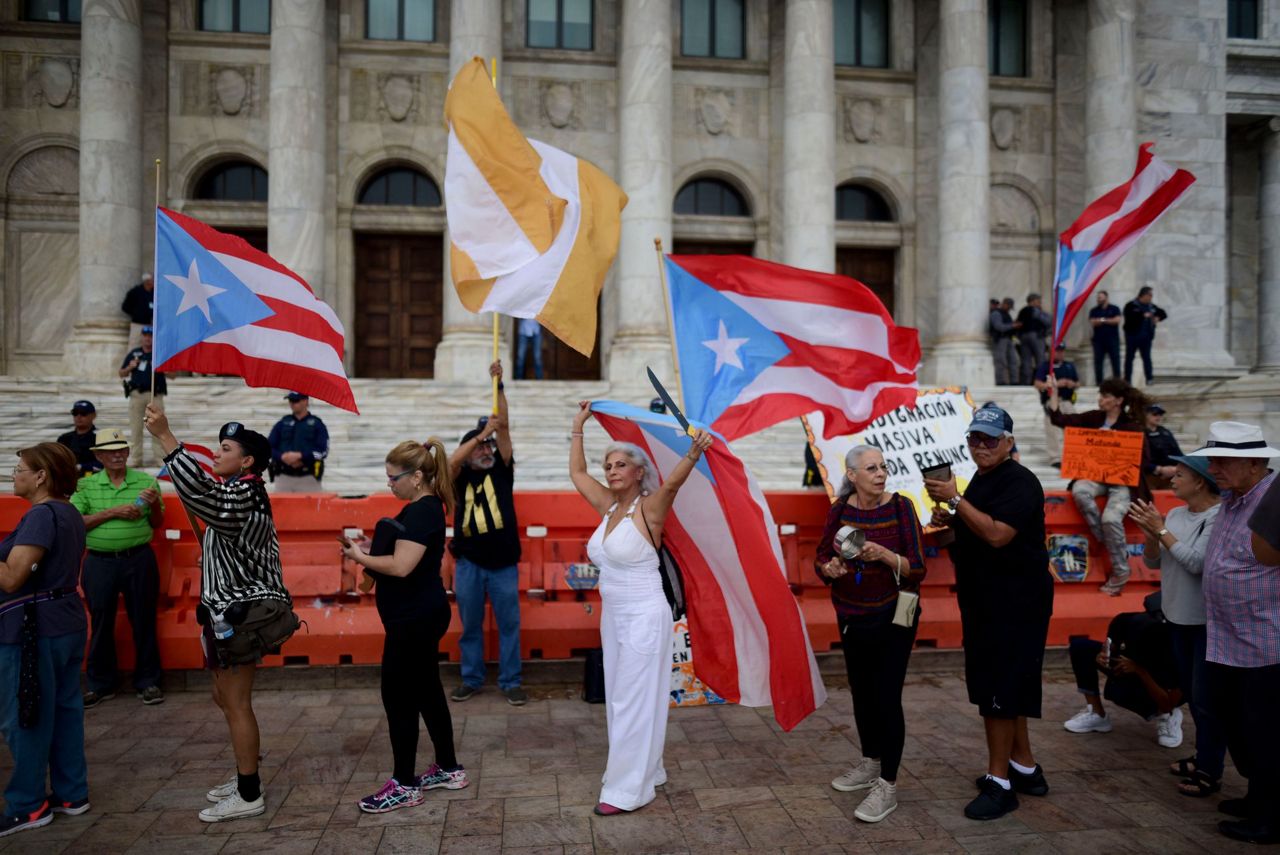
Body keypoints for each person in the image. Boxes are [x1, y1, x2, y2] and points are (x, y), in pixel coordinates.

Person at [143, 407, 292, 823]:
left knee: (237, 702)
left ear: (247, 461)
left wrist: (167, 437)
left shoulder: (245, 493)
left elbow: (203, 494)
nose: (216, 454)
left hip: (241, 616)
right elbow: (212, 506)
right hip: (223, 612)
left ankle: (249, 792)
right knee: (223, 697)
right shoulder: (237, 491)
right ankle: (247, 773)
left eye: (225, 449)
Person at [569, 401, 712, 816]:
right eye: (608, 465)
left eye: (620, 465)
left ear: (638, 472)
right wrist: (579, 426)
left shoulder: (650, 508)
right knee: (621, 695)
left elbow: (673, 485)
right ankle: (649, 768)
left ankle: (628, 790)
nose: (611, 470)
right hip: (614, 614)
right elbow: (578, 474)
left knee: (631, 699)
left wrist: (693, 453)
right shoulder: (609, 507)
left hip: (645, 613)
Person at [924, 405, 1053, 821]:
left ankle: (1001, 783)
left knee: (999, 690)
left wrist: (956, 499)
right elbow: (971, 532)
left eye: (990, 439)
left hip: (1014, 601)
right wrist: (947, 519)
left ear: (1009, 442)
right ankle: (1024, 768)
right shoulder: (982, 479)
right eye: (975, 438)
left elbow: (998, 535)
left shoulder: (1021, 481)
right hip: (986, 598)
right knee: (1004, 686)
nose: (981, 446)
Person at [341, 440, 469, 813]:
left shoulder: (424, 512)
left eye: (393, 478)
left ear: (415, 477)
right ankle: (448, 768)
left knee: (398, 696)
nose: (389, 484)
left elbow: (400, 566)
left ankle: (404, 784)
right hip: (418, 613)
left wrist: (360, 556)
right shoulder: (422, 509)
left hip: (414, 618)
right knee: (427, 691)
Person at [816, 445, 926, 824]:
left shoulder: (901, 507)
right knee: (861, 692)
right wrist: (829, 569)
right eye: (871, 468)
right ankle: (870, 762)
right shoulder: (839, 510)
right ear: (852, 475)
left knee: (887, 696)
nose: (880, 474)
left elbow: (918, 567)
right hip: (852, 614)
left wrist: (884, 555)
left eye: (883, 467)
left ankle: (887, 786)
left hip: (895, 615)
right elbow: (821, 557)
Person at [1187, 422, 1280, 844]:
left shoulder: (1272, 502)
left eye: (1223, 460)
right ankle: (1258, 797)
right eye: (1212, 459)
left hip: (1265, 642)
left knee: (1265, 732)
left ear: (1255, 463)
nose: (1213, 468)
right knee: (1235, 722)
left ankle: (1269, 817)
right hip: (1227, 637)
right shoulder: (1232, 499)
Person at [0, 443, 89, 838]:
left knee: (27, 714)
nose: (13, 474)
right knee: (66, 711)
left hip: (33, 628)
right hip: (65, 619)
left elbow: (12, 578)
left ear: (41, 476)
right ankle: (72, 793)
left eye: (20, 468)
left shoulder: (41, 515)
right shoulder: (68, 511)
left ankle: (28, 804)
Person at [1127, 455, 1225, 797]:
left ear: (1199, 481)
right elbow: (1153, 561)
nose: (1172, 479)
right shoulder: (1175, 515)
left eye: (1180, 475)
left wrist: (1160, 530)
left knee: (1206, 698)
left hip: (1204, 621)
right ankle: (1204, 756)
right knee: (1193, 695)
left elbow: (1197, 563)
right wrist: (1151, 535)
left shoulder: (1218, 517)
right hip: (1175, 615)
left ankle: (1210, 769)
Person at [70, 428, 165, 708]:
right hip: (99, 561)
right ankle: (100, 683)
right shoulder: (85, 485)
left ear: (128, 452)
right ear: (98, 456)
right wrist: (114, 512)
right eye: (110, 451)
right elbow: (76, 522)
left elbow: (157, 522)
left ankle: (149, 682)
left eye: (121, 450)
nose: (117, 455)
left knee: (144, 620)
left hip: (139, 558)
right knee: (101, 621)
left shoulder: (145, 482)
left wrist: (153, 506)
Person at [448, 363, 525, 705]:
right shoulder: (458, 477)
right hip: (469, 563)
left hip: (504, 563)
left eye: (488, 446)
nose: (486, 450)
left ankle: (511, 681)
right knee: (470, 627)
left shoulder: (502, 471)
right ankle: (471, 678)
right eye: (480, 447)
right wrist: (479, 436)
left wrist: (499, 386)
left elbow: (503, 429)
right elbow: (450, 463)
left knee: (509, 625)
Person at [1047, 377, 1150, 595]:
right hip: (1094, 478)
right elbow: (1059, 419)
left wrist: (1117, 451)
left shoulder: (1132, 427)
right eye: (1100, 395)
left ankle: (1121, 570)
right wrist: (1054, 392)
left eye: (1105, 396)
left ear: (1118, 401)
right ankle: (1105, 539)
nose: (1100, 399)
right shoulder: (1093, 418)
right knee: (1080, 491)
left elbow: (1145, 460)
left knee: (1111, 518)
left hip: (1122, 483)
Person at [1061, 608, 1183, 744]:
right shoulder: (1124, 621)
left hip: (1160, 689)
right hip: (1133, 668)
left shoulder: (1173, 651)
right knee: (1081, 647)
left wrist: (1139, 670)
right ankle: (1096, 713)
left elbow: (1167, 704)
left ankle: (1168, 716)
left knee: (1161, 703)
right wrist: (1102, 656)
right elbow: (1110, 649)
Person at [120, 326, 166, 468]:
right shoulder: (135, 353)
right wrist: (130, 367)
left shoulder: (159, 354)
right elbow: (121, 373)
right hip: (137, 395)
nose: (147, 339)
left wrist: (161, 365)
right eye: (145, 335)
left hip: (155, 396)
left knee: (157, 427)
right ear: (141, 337)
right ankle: (136, 458)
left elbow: (173, 375)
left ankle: (159, 457)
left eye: (150, 336)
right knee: (136, 428)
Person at [267, 393, 329, 493]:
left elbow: (323, 451)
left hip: (309, 478)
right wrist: (283, 457)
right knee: (281, 504)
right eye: (290, 400)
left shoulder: (317, 424)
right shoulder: (282, 423)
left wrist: (301, 456)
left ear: (306, 401)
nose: (292, 404)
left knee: (311, 504)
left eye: (296, 401)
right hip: (283, 478)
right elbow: (268, 448)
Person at [1032, 343, 1078, 466]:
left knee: (1073, 428)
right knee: (1052, 429)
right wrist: (1053, 384)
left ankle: (1073, 454)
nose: (1060, 353)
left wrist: (1071, 383)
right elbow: (1037, 383)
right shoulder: (1045, 366)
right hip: (1052, 401)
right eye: (1057, 351)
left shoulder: (1069, 366)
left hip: (1067, 401)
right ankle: (1055, 457)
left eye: (1062, 351)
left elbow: (1078, 383)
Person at [1123, 286, 1167, 385]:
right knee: (1129, 358)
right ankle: (1127, 380)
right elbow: (1129, 318)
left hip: (1146, 337)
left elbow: (1163, 313)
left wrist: (1158, 318)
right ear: (1144, 295)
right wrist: (1142, 316)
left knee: (1147, 358)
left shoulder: (1151, 307)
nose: (1151, 297)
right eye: (1150, 295)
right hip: (1132, 337)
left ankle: (1149, 378)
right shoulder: (1131, 305)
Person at [56, 400, 102, 478]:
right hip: (68, 479)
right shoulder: (64, 438)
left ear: (93, 415)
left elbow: (107, 462)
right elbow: (56, 461)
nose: (78, 416)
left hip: (94, 479)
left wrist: (82, 466)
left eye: (83, 413)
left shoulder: (100, 437)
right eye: (75, 413)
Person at [1143, 404, 1183, 491]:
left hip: (1170, 476)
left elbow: (1178, 454)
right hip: (1149, 475)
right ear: (1146, 415)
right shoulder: (1140, 432)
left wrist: (1176, 469)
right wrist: (1159, 469)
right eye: (1155, 414)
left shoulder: (1165, 432)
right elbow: (1138, 458)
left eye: (1160, 414)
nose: (1158, 417)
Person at [1015, 294, 1050, 385]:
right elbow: (1047, 322)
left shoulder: (1023, 310)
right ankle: (1040, 380)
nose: (1040, 303)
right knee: (1040, 359)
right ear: (1033, 301)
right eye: (1038, 301)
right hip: (1036, 336)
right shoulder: (1036, 311)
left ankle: (1026, 382)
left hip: (1023, 337)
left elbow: (1018, 324)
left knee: (1026, 361)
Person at [1088, 290, 1122, 384]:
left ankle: (1118, 382)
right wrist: (1108, 320)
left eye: (1100, 297)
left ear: (1106, 298)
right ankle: (1099, 382)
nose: (1098, 299)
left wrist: (1102, 320)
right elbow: (1093, 322)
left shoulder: (1114, 309)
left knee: (1115, 361)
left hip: (1112, 340)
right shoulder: (1094, 310)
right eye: (1098, 297)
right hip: (1098, 340)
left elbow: (1117, 320)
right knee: (1098, 362)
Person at [989, 297, 1019, 386]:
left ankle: (1014, 381)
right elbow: (998, 327)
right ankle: (1000, 381)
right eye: (1008, 306)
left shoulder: (1006, 314)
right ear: (1004, 304)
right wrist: (1012, 326)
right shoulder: (996, 313)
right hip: (1000, 339)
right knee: (1000, 360)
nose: (1009, 309)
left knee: (1013, 360)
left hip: (1008, 339)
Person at [120, 273, 154, 349]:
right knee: (134, 344)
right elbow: (125, 307)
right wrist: (137, 314)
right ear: (147, 281)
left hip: (150, 324)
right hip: (137, 324)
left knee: (149, 345)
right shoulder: (135, 292)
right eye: (152, 280)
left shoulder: (154, 293)